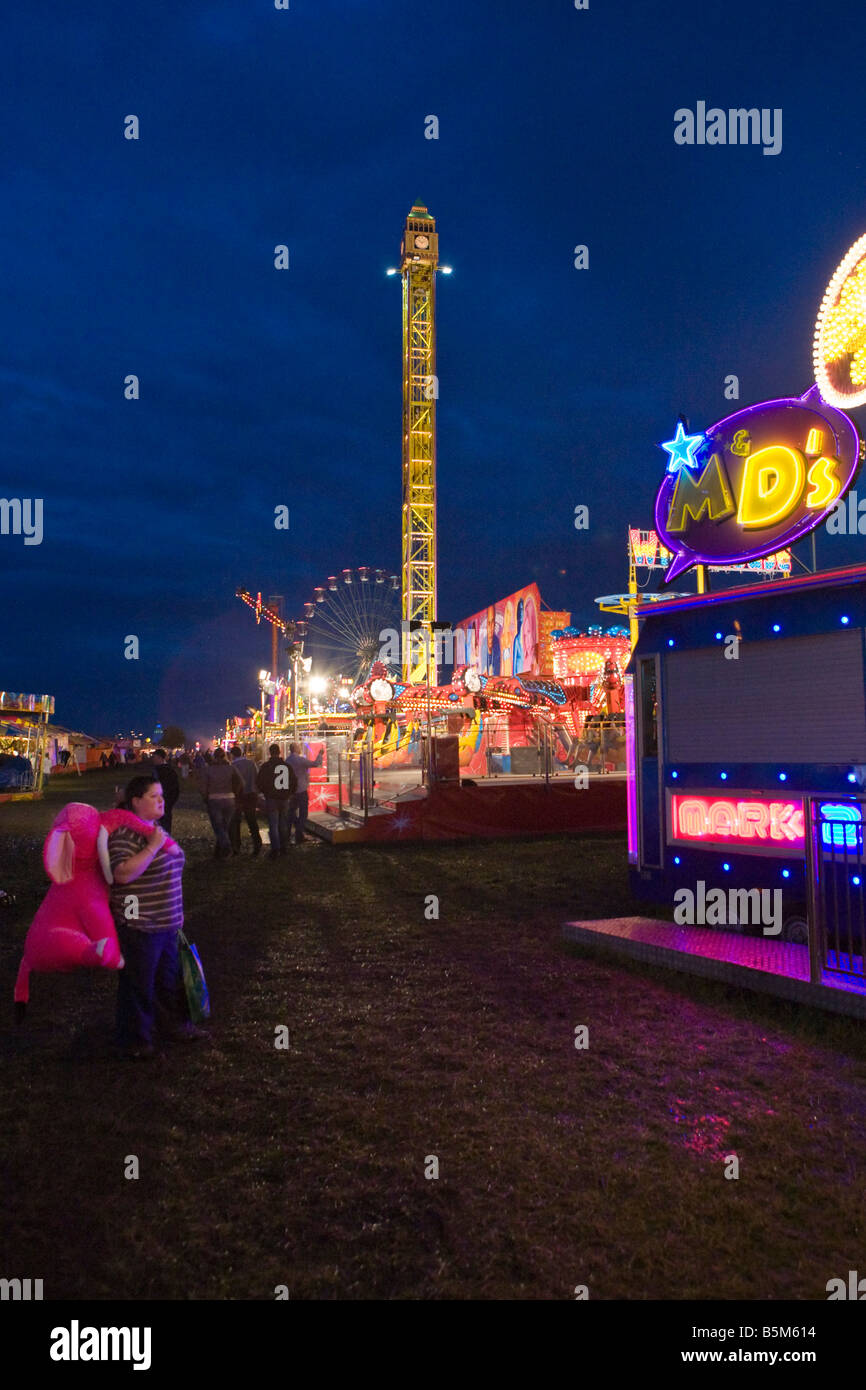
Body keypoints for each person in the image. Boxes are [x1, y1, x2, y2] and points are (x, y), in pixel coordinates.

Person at [108, 775, 206, 1059]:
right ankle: (135, 1041)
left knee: (167, 981)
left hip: (167, 923)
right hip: (140, 924)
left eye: (161, 795)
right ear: (135, 801)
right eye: (154, 796)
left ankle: (173, 1027)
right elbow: (121, 873)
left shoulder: (154, 828)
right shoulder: (126, 834)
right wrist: (152, 847)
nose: (161, 800)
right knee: (138, 985)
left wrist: (176, 913)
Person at [199, 747, 241, 858]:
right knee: (224, 826)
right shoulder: (231, 768)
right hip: (229, 799)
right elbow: (241, 782)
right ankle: (221, 850)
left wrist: (205, 797)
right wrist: (235, 793)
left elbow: (203, 786)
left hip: (214, 799)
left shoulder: (208, 769)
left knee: (218, 826)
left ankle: (226, 846)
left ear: (214, 756)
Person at [257, 744, 295, 858]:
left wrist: (266, 793)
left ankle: (275, 849)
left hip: (272, 798)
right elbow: (293, 782)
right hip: (284, 798)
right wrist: (289, 794)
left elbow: (260, 782)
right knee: (283, 823)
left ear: (270, 752)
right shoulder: (287, 766)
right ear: (280, 752)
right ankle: (284, 847)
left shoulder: (266, 766)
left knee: (273, 824)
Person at [286, 741, 324, 845]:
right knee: (303, 813)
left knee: (291, 812)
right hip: (301, 790)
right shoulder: (300, 760)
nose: (300, 748)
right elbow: (316, 763)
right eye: (298, 746)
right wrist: (320, 754)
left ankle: (288, 833)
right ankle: (299, 834)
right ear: (295, 748)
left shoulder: (287, 760)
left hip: (292, 791)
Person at [229, 744, 262, 856]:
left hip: (238, 796)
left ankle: (237, 846)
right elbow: (257, 777)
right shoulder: (251, 763)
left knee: (236, 821)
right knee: (252, 820)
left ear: (232, 755)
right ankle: (257, 843)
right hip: (251, 794)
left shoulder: (233, 766)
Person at [145, 748, 180, 833]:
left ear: (160, 758)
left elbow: (174, 788)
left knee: (161, 825)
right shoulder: (169, 770)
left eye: (155, 757)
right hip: (164, 802)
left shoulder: (161, 771)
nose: (153, 759)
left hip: (163, 801)